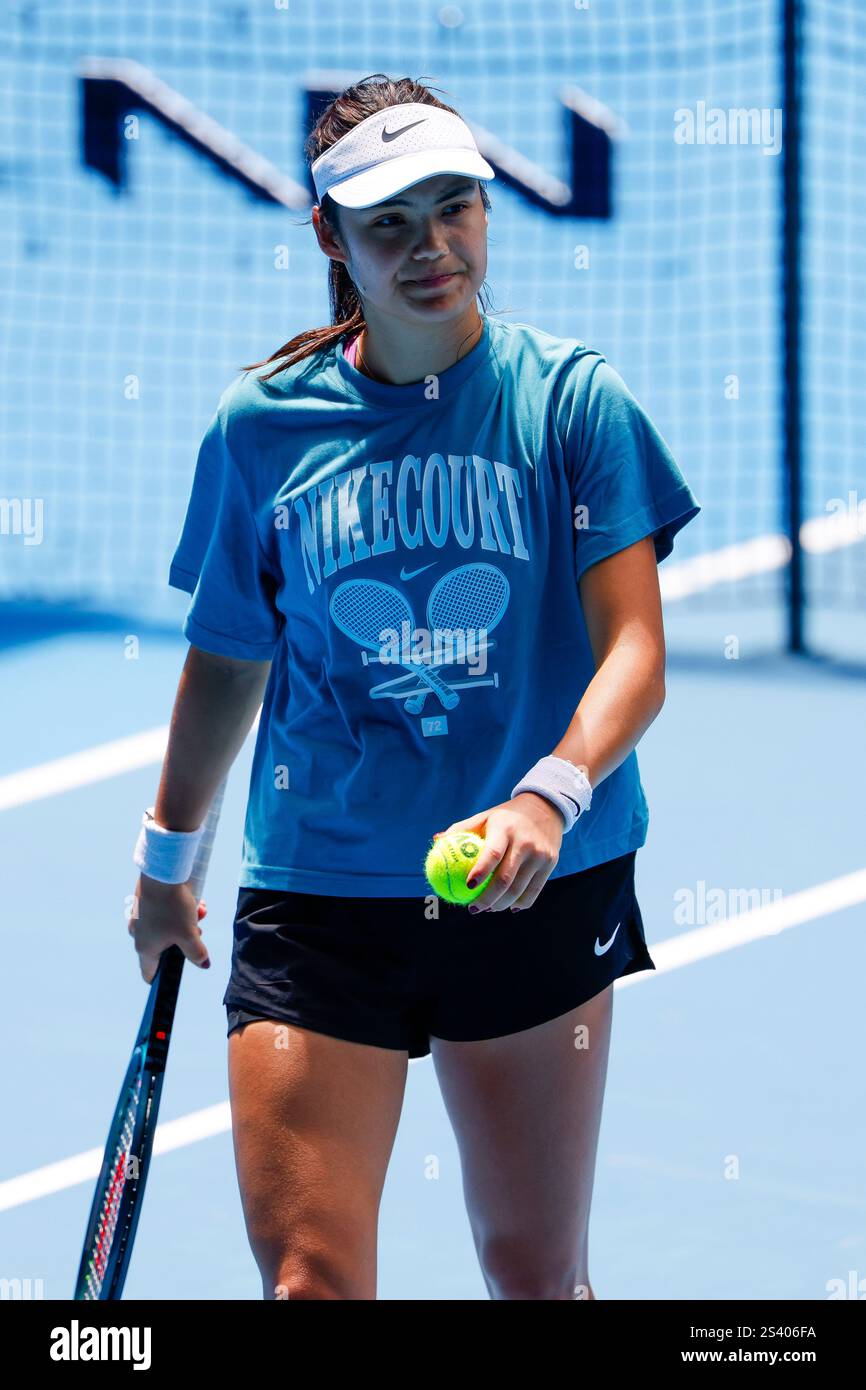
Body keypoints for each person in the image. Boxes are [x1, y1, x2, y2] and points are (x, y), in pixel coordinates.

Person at [130, 72, 700, 1301]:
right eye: (389, 222)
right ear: (333, 238)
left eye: (454, 209)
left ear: (486, 213)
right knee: (309, 1283)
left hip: (537, 881)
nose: (430, 246)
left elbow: (634, 655)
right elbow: (229, 655)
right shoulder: (261, 430)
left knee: (533, 1274)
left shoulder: (569, 406)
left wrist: (546, 795)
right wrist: (166, 865)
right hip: (322, 890)